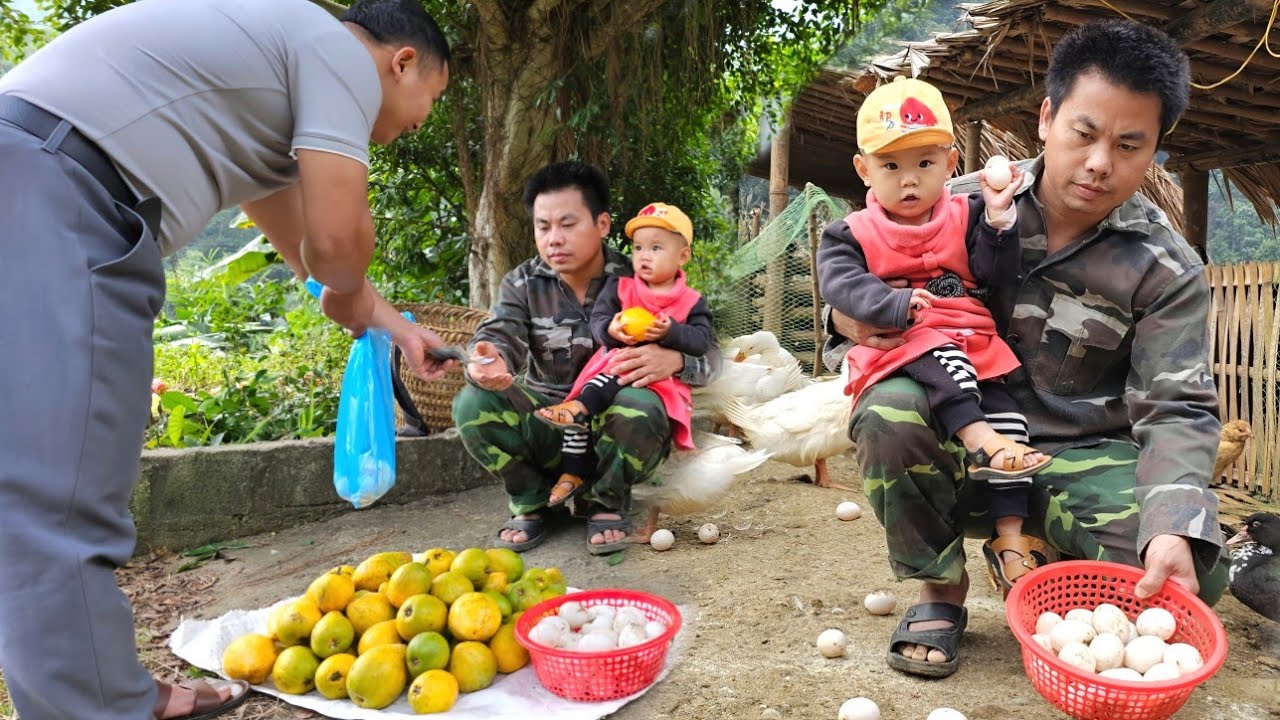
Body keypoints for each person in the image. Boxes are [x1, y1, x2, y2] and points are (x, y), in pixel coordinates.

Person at [0, 1, 452, 717]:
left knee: (40, 486)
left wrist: (394, 328)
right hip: (62, 194)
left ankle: (112, 691)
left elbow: (304, 248)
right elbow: (335, 248)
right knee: (58, 503)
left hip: (36, 176)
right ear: (401, 63)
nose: (416, 125)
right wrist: (341, 281)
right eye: (429, 102)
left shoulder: (270, 93)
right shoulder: (337, 53)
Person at [823, 19, 1230, 678]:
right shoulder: (952, 206)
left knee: (1191, 575)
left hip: (1080, 458)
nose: (1101, 163)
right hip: (959, 443)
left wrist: (1173, 523)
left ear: (1156, 147)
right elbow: (856, 275)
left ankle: (1035, 550)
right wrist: (845, 318)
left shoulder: (1166, 265)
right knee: (889, 412)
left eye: (1130, 144)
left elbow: (1177, 407)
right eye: (1085, 133)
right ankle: (940, 591)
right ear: (1046, 118)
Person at [452, 162, 721, 555]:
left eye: (567, 224)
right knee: (472, 404)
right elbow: (500, 334)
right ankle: (534, 503)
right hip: (551, 425)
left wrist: (676, 362)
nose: (554, 239)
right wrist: (489, 357)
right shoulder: (523, 283)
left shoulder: (644, 274)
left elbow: (714, 356)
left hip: (619, 426)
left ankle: (606, 500)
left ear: (602, 224)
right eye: (543, 227)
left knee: (640, 404)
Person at [535, 202, 715, 525]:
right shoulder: (621, 287)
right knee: (583, 413)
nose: (644, 255)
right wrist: (612, 329)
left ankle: (604, 490)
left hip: (656, 382)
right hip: (613, 364)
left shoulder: (691, 302)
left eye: (656, 248)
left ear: (683, 256)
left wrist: (672, 332)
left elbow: (702, 341)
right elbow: (600, 320)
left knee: (595, 399)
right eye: (638, 247)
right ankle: (571, 474)